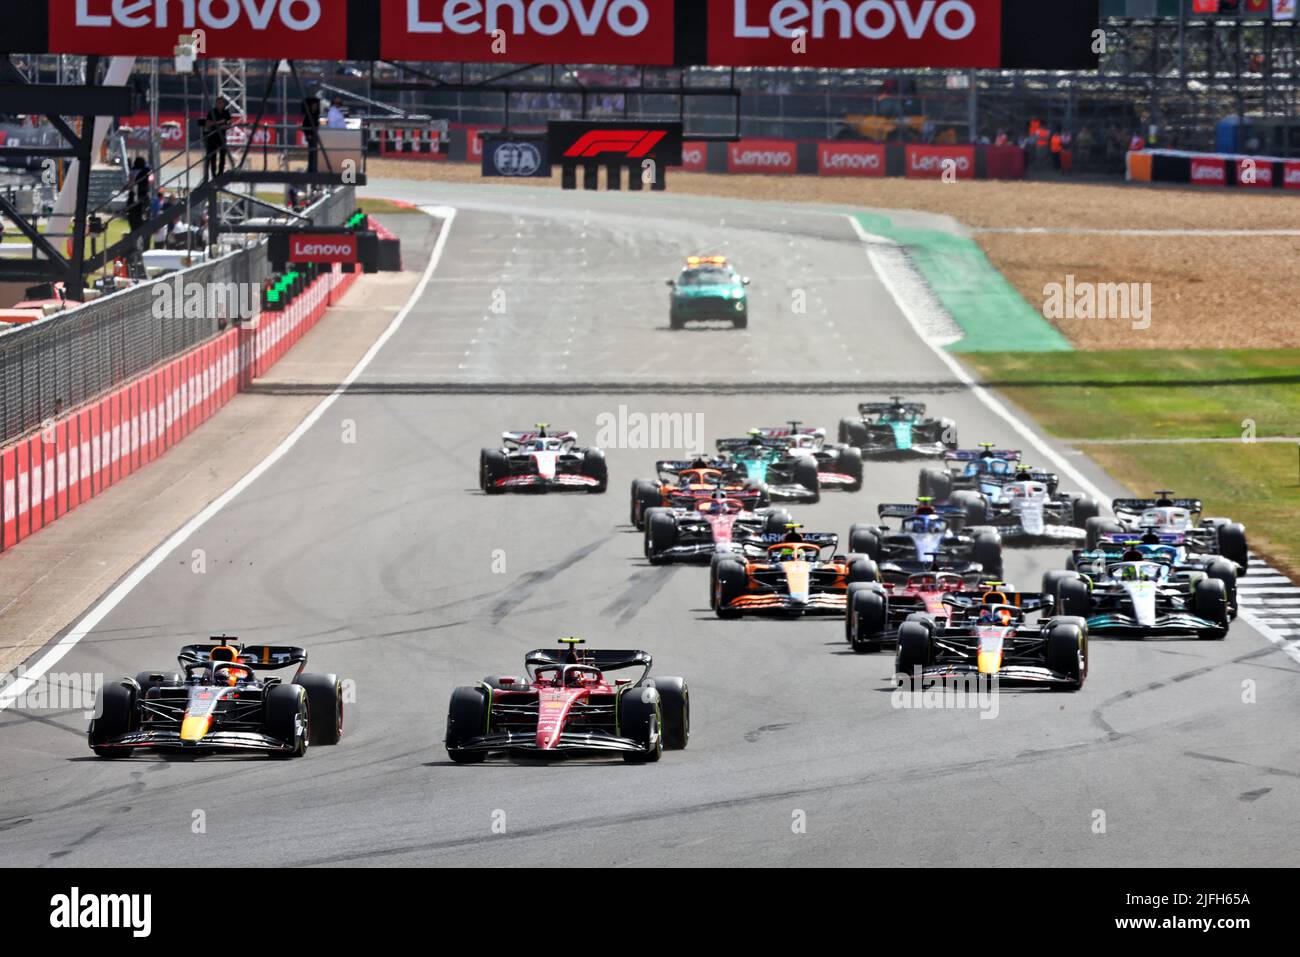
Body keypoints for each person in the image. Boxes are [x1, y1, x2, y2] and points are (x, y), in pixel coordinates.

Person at [202, 98, 234, 180]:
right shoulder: (212, 112)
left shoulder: (226, 112)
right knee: (213, 156)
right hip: (213, 136)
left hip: (222, 136)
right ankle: (213, 174)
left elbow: (229, 123)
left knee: (222, 155)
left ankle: (220, 173)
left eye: (221, 103)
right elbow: (208, 123)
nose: (219, 104)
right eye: (218, 103)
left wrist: (226, 125)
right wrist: (219, 122)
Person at [126, 155, 150, 233]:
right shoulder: (144, 171)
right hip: (140, 197)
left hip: (133, 197)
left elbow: (130, 184)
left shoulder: (132, 171)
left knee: (133, 218)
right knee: (140, 217)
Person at [301, 97, 322, 172]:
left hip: (315, 137)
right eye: (314, 106)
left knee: (315, 153)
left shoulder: (316, 116)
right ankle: (311, 168)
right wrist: (308, 134)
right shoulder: (308, 116)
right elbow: (304, 126)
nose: (315, 107)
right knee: (312, 153)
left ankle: (314, 168)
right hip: (311, 137)